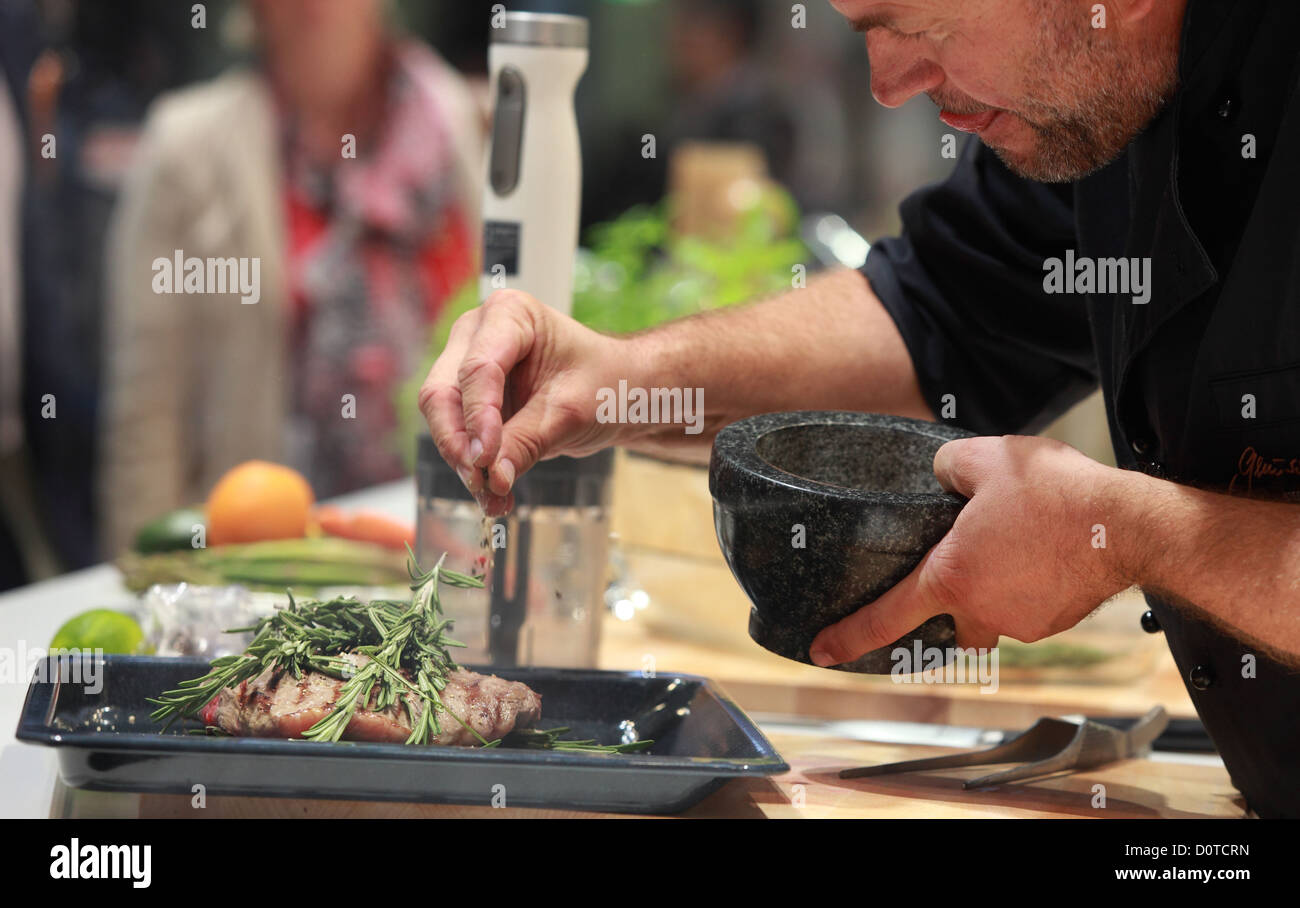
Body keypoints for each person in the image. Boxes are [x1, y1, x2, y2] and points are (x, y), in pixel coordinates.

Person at [421, 0, 1300, 818]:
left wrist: (1132, 534)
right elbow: (933, 315)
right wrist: (625, 377)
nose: (888, 85)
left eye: (920, 24)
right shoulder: (1095, 95)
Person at [98, 0, 482, 554]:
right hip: (263, 571)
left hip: (443, 557)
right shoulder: (188, 146)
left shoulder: (456, 118)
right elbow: (146, 413)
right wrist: (147, 584)